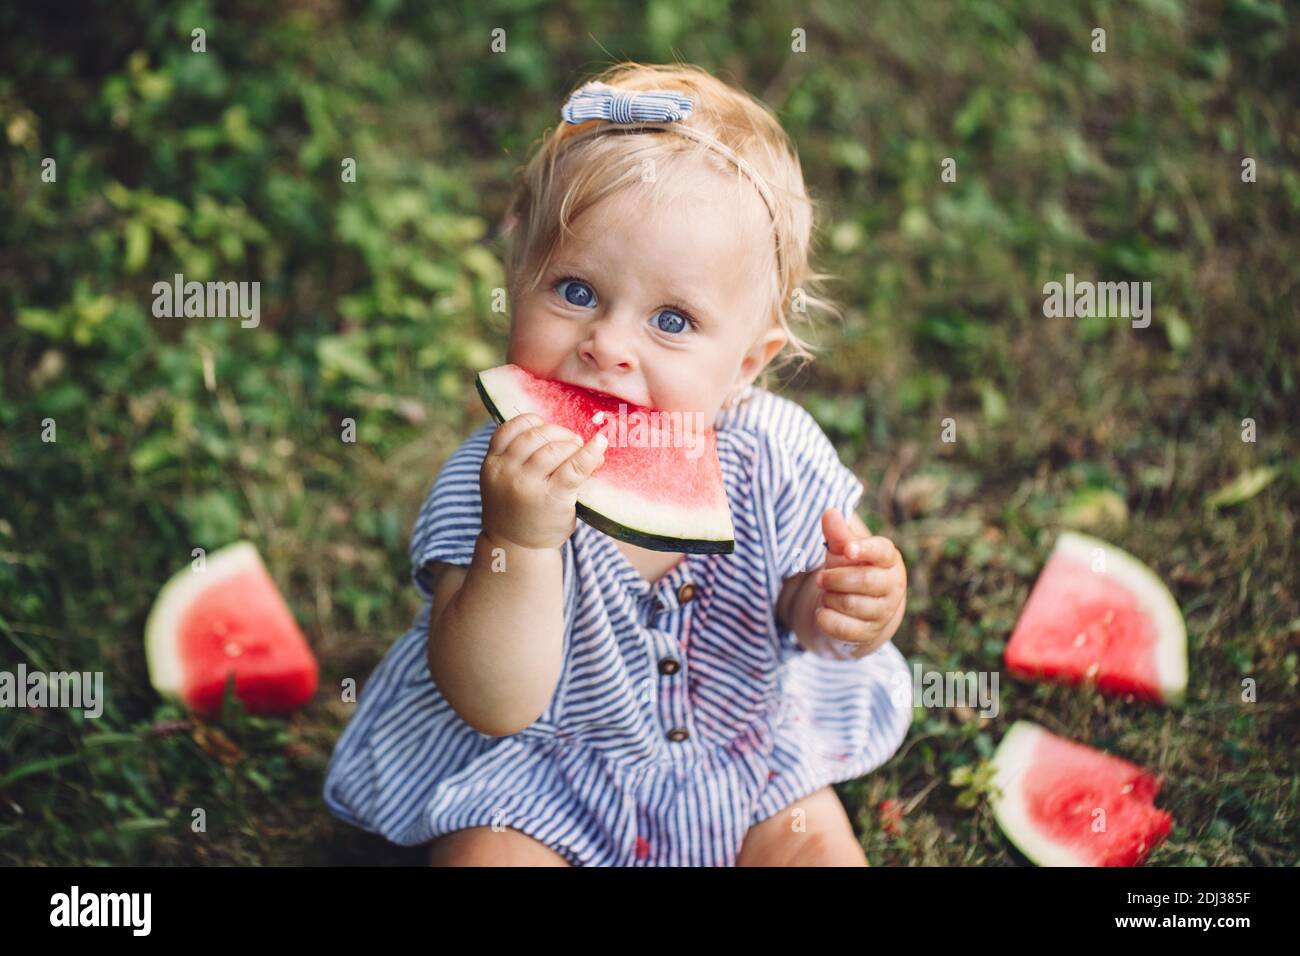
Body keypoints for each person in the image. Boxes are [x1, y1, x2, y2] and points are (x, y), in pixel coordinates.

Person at [324, 62, 912, 866]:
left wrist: (847, 604)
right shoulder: (492, 480)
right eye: (573, 291)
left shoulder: (776, 454)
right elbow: (494, 703)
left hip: (736, 760)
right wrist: (522, 542)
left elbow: (804, 612)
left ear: (748, 362)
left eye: (672, 319)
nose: (608, 346)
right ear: (515, 278)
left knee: (817, 850)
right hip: (537, 783)